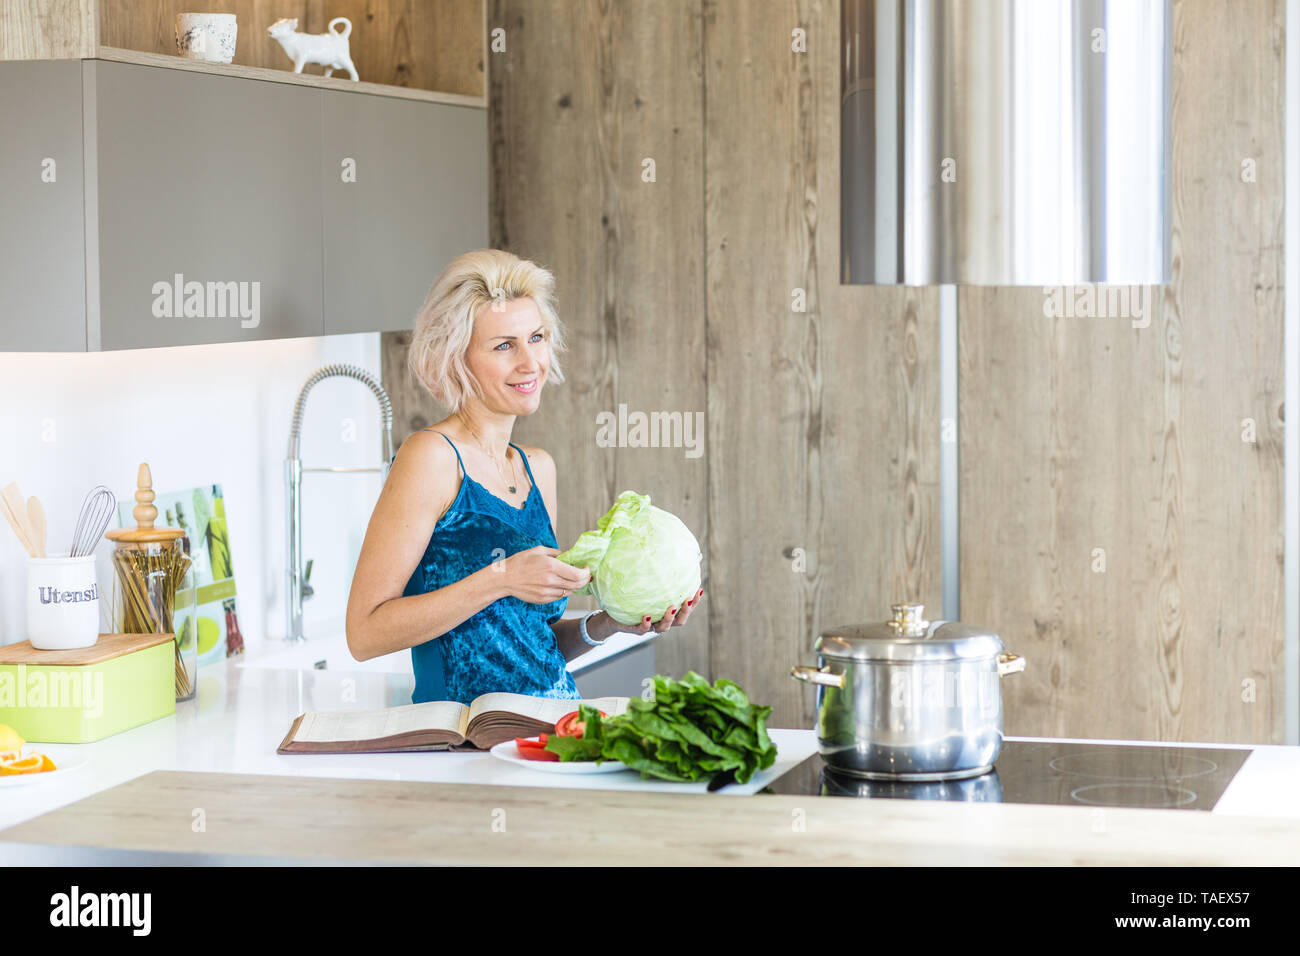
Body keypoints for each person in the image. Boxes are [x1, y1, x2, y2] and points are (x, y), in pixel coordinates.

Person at [345, 249, 704, 704]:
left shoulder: (537, 468)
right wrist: (500, 578)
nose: (530, 362)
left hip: (554, 727)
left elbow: (534, 644)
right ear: (456, 357)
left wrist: (609, 624)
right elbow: (364, 635)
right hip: (468, 736)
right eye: (504, 345)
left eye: (536, 337)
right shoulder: (431, 458)